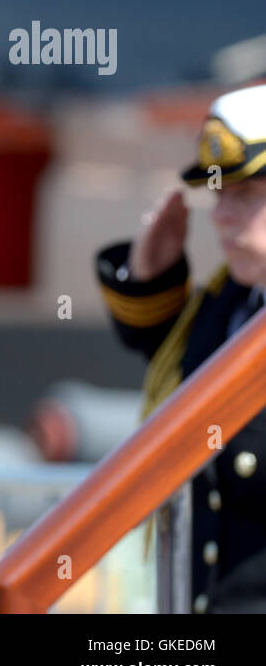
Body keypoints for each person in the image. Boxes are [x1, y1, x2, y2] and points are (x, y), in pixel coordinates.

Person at [95, 84, 266, 613]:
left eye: (244, 195)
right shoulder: (231, 303)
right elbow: (167, 353)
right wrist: (150, 273)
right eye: (217, 195)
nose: (219, 216)